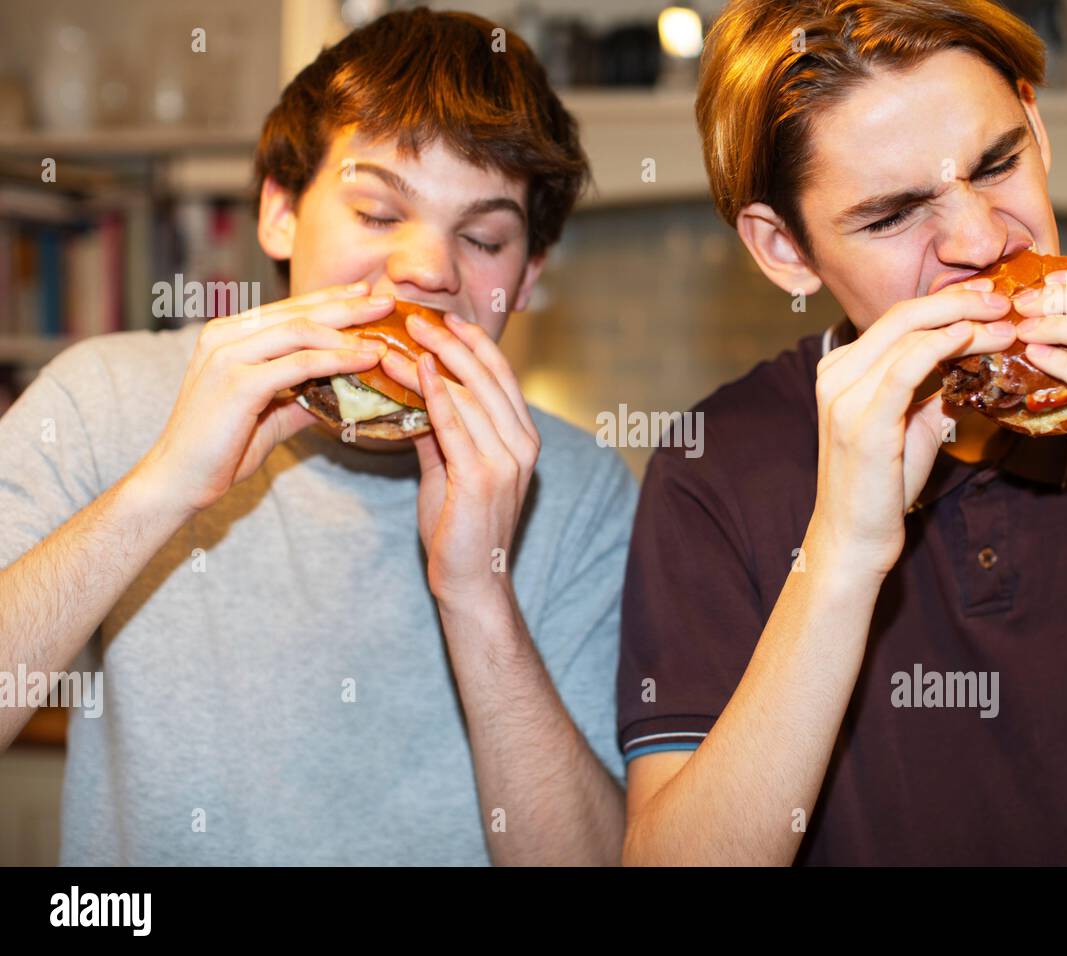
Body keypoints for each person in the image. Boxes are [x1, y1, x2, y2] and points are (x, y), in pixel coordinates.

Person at [618, 0, 1067, 865]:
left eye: (998, 162)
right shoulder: (712, 465)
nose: (980, 240)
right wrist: (842, 557)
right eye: (893, 214)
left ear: (1037, 129)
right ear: (786, 249)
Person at [0, 9, 634, 866]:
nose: (427, 269)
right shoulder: (100, 397)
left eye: (482, 238)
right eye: (377, 212)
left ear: (525, 280)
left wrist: (479, 597)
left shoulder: (585, 490)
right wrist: (159, 491)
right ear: (279, 214)